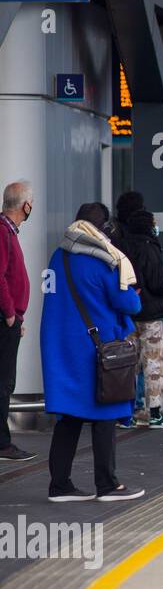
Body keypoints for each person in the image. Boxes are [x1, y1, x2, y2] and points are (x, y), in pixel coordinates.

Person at [42, 203, 144, 502]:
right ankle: (107, 485)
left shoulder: (57, 256)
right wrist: (133, 297)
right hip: (95, 351)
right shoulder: (103, 261)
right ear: (105, 229)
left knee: (70, 416)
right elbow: (128, 304)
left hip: (62, 348)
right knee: (105, 413)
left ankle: (59, 485)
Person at [115, 193, 163, 428]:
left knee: (130, 363)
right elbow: (157, 282)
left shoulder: (121, 247)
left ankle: (127, 413)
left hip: (129, 313)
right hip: (150, 315)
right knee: (153, 364)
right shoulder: (151, 248)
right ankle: (155, 414)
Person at [0, 180, 35, 462]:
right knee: (3, 382)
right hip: (4, 320)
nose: (31, 206)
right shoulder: (2, 232)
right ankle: (3, 443)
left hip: (10, 319)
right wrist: (11, 313)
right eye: (31, 201)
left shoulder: (10, 232)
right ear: (24, 205)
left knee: (5, 381)